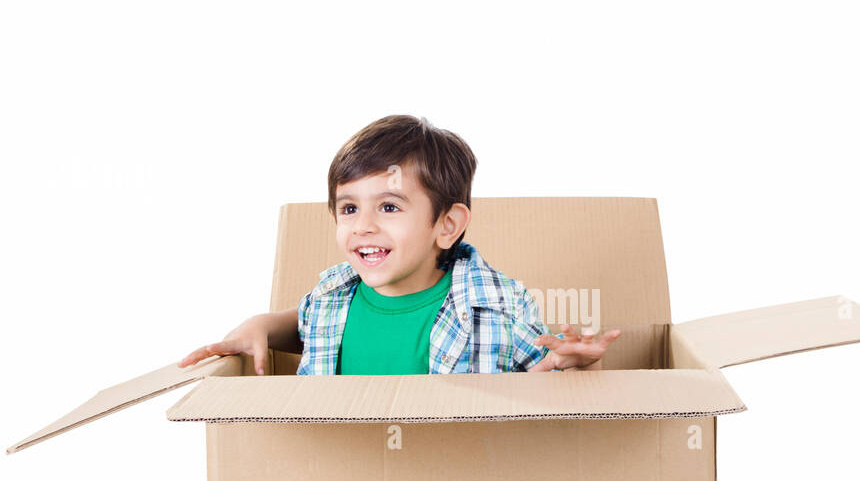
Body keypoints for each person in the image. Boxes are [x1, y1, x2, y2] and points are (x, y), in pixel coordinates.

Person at [178, 114, 621, 376]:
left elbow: (542, 371)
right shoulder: (332, 299)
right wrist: (261, 324)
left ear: (446, 225)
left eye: (389, 208)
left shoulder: (498, 306)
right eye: (349, 209)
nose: (363, 226)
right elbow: (306, 323)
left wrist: (575, 364)